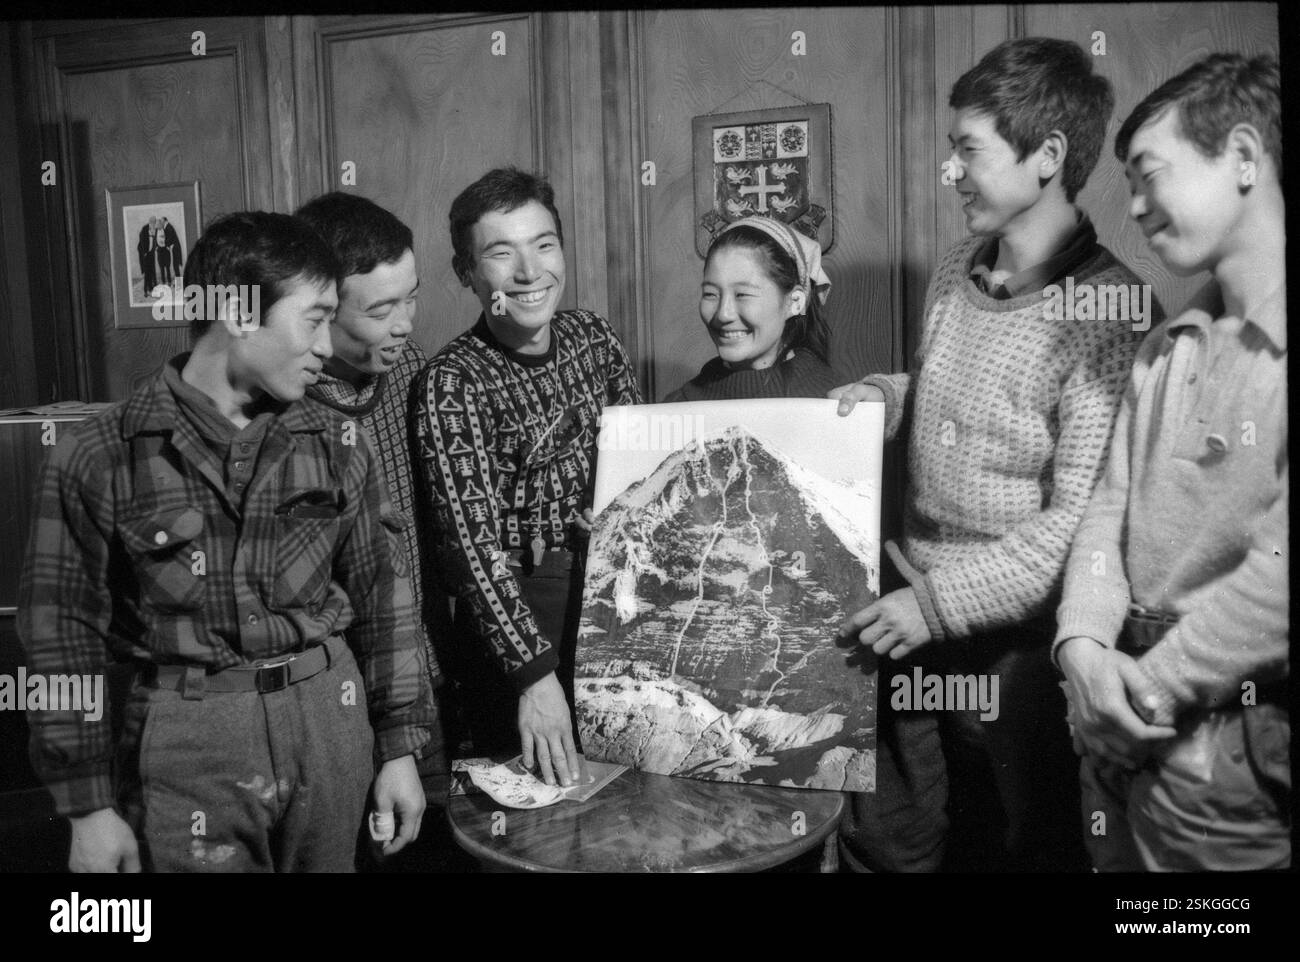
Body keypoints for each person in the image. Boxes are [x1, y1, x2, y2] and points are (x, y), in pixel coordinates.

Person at [18, 211, 433, 872]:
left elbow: (385, 595)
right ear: (239, 313)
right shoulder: (98, 454)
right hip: (186, 741)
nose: (328, 346)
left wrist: (399, 746)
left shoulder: (335, 441)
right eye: (315, 318)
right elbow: (62, 636)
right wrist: (88, 808)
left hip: (329, 722)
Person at [831, 37, 1159, 871]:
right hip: (908, 614)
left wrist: (935, 608)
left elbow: (1075, 531)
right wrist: (883, 397)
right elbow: (942, 387)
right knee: (901, 838)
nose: (953, 171)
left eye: (968, 150)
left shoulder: (1111, 313)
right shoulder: (956, 268)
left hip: (1010, 655)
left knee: (1007, 845)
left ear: (1047, 156)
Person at [1054, 54, 1287, 871]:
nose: (1140, 210)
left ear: (1246, 159)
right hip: (1117, 717)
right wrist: (1082, 650)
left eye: (1153, 177)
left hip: (1230, 744)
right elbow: (1105, 512)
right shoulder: (1164, 348)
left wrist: (1142, 694)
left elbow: (1279, 578)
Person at [415, 167, 640, 787]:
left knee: (623, 808)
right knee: (531, 820)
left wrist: (619, 509)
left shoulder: (594, 338)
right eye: (500, 252)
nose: (529, 271)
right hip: (515, 630)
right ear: (467, 273)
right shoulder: (452, 381)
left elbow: (639, 467)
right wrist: (534, 679)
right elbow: (470, 547)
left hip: (613, 606)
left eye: (543, 244)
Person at [296, 191, 448, 773]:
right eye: (381, 311)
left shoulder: (414, 370)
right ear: (322, 308)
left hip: (434, 670)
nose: (404, 325)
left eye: (411, 299)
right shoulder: (285, 414)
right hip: (344, 691)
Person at [662, 216, 837, 402]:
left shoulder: (834, 403)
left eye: (742, 294)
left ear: (795, 302)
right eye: (710, 294)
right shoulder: (678, 407)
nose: (723, 314)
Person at [137, 216, 157, 297]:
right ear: (150, 222)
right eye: (152, 222)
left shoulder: (154, 229)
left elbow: (154, 240)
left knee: (152, 271)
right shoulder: (144, 228)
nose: (153, 224)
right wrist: (144, 252)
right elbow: (141, 241)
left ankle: (151, 288)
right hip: (145, 254)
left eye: (154, 222)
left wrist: (154, 249)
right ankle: (146, 290)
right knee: (147, 272)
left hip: (151, 253)